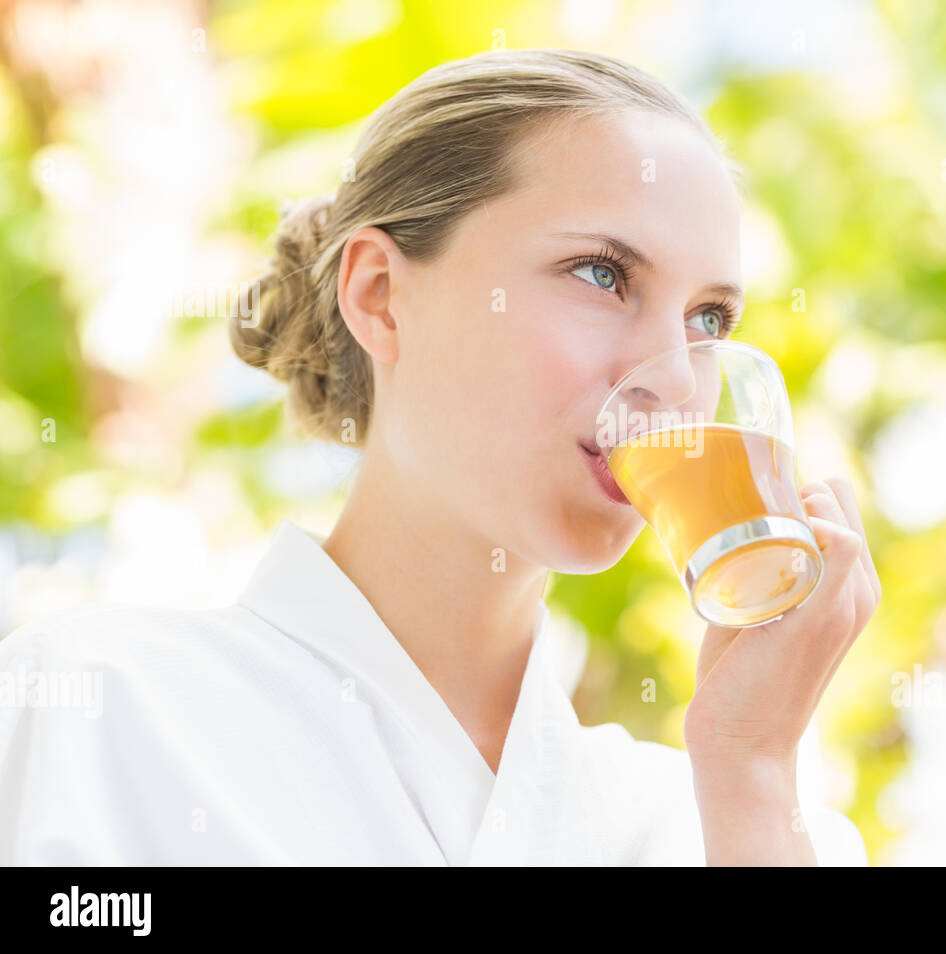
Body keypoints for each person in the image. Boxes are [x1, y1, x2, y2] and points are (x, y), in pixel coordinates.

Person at [0, 48, 881, 866]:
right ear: (380, 297)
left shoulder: (728, 822)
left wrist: (750, 773)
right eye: (602, 275)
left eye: (708, 322)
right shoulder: (91, 708)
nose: (677, 383)